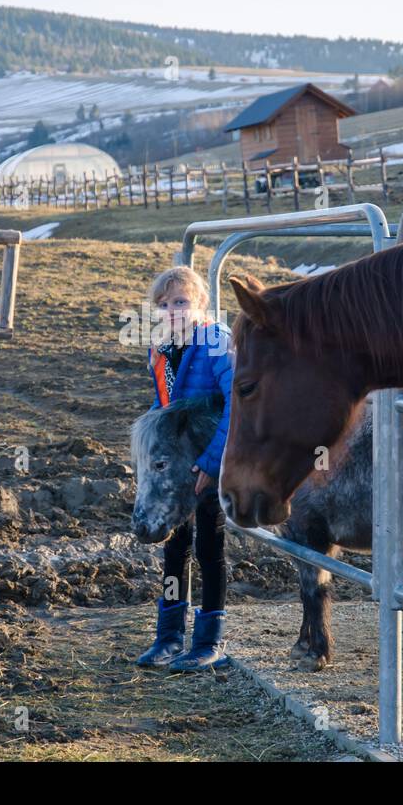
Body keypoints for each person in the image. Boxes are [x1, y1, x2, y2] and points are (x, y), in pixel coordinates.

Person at [136, 266, 233, 671]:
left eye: (181, 302)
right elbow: (165, 412)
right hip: (178, 471)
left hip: (209, 463)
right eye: (164, 304)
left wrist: (212, 464)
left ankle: (209, 641)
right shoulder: (160, 351)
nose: (173, 310)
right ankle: (169, 636)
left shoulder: (216, 342)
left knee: (211, 548)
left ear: (200, 304)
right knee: (176, 549)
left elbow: (237, 404)